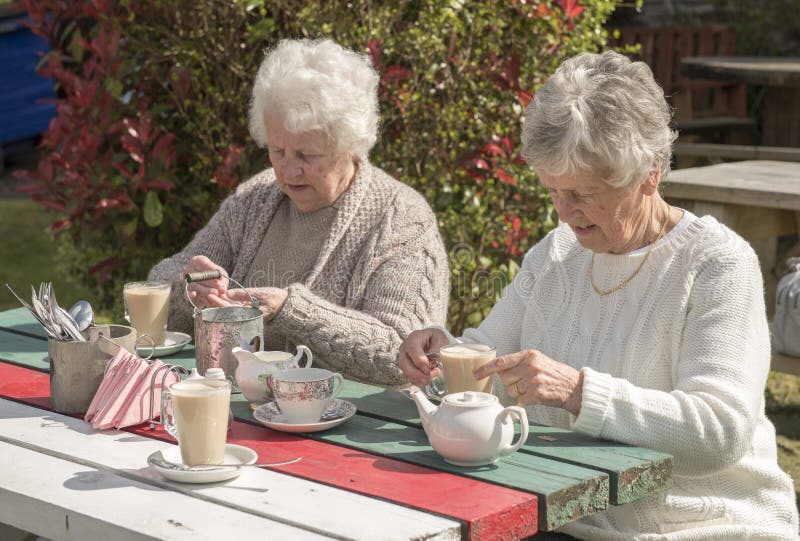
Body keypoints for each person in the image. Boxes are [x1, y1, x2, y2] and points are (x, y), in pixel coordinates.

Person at [397, 51, 799, 540]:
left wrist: (577, 392)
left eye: (584, 194)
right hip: (566, 515)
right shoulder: (557, 255)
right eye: (554, 192)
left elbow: (720, 432)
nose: (565, 212)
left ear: (649, 172)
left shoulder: (716, 263)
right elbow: (490, 364)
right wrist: (443, 356)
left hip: (701, 526)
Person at [149, 38, 449, 386]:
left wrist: (291, 311)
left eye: (308, 156)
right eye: (278, 151)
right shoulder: (256, 198)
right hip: (242, 413)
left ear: (349, 145)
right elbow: (159, 287)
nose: (288, 172)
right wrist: (190, 288)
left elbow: (402, 355)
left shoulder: (402, 220)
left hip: (352, 429)